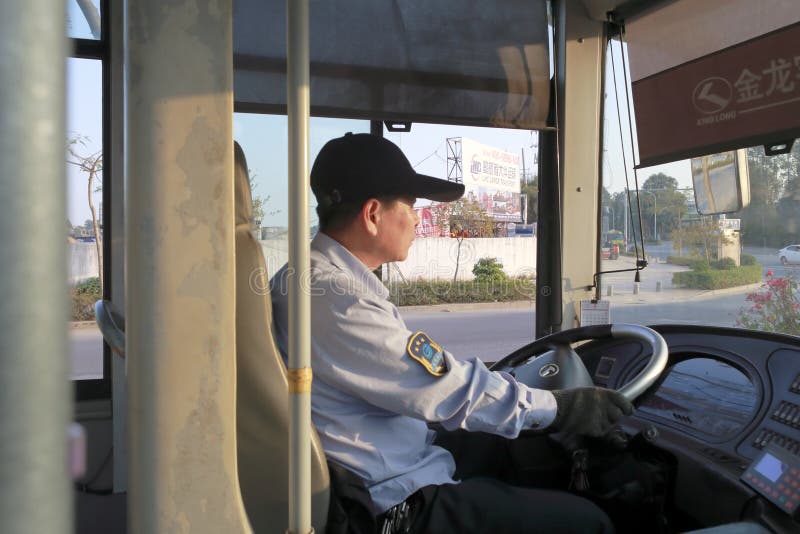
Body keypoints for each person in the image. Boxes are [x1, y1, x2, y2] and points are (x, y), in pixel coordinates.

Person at [270, 133, 633, 533]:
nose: (416, 218)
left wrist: (541, 413)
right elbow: (446, 388)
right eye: (410, 206)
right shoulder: (338, 298)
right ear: (373, 214)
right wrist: (564, 408)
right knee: (590, 523)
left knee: (522, 449)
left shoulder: (305, 278)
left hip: (389, 462)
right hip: (394, 501)